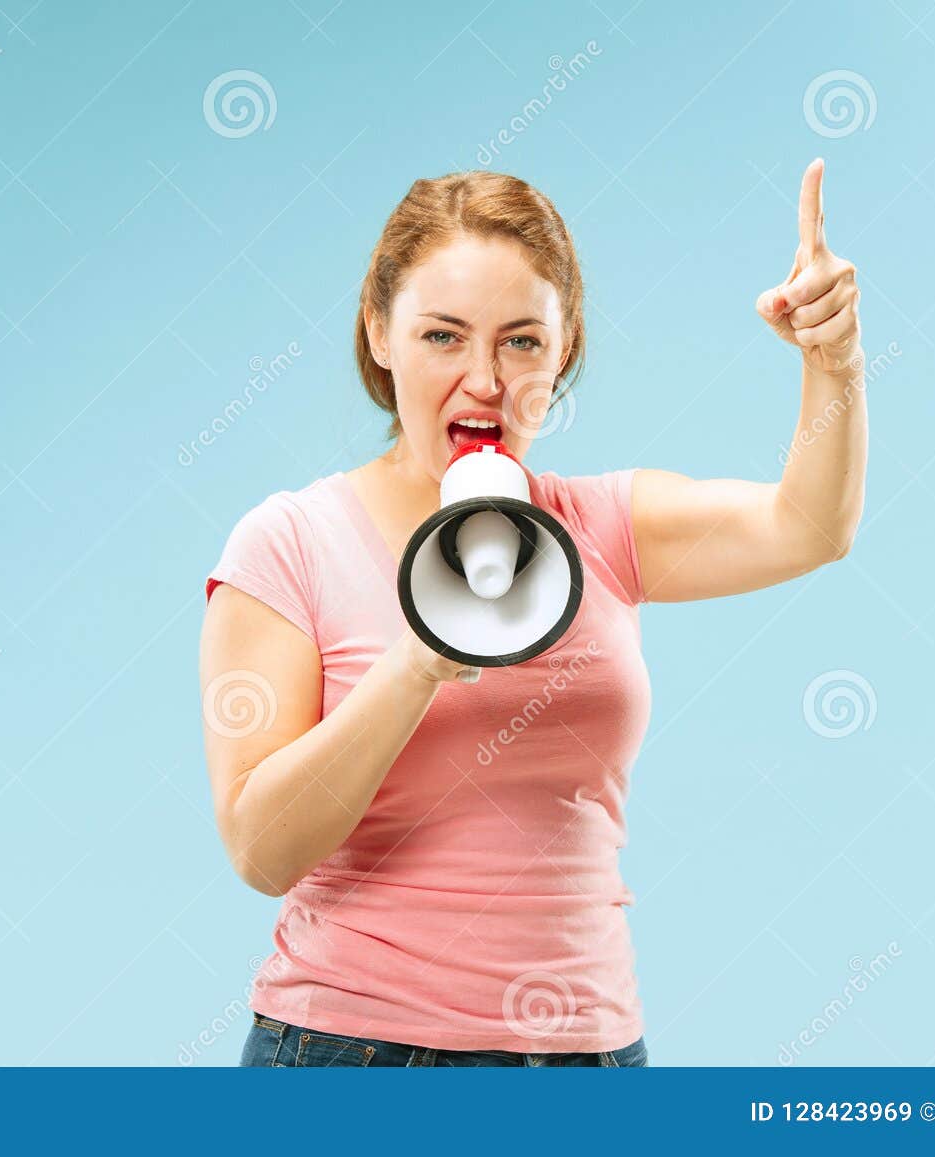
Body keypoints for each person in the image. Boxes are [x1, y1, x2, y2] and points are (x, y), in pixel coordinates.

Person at [200, 162, 867, 1067]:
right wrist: (419, 661)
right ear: (378, 332)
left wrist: (834, 362)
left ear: (563, 350)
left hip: (588, 1059)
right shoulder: (289, 542)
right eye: (443, 335)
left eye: (521, 342)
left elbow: (807, 526)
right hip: (352, 1055)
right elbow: (260, 848)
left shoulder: (602, 527)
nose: (483, 380)